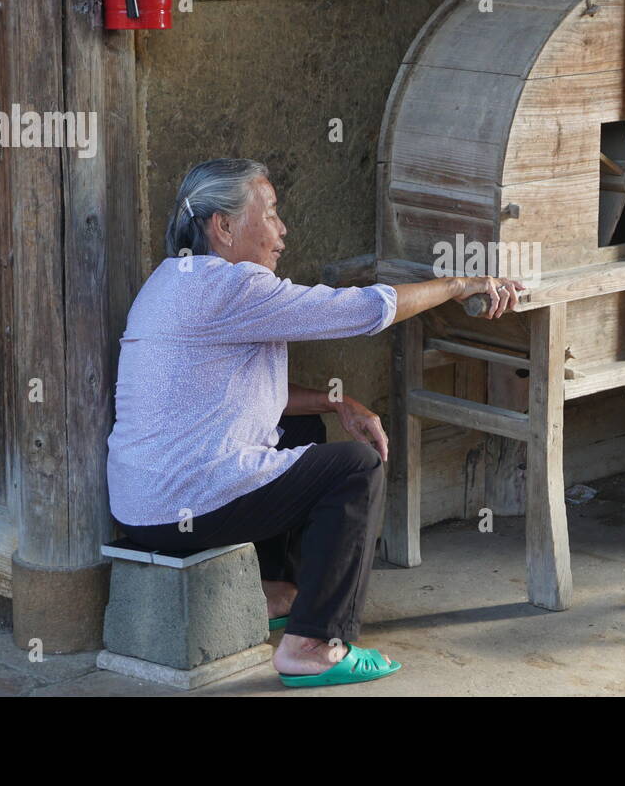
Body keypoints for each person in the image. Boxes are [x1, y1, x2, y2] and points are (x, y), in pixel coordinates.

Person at [105, 158, 522, 687]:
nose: (282, 231)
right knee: (355, 468)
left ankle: (278, 590)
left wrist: (336, 401)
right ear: (225, 227)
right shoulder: (230, 288)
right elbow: (365, 309)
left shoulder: (176, 281)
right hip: (177, 501)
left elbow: (236, 398)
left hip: (149, 503)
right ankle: (313, 646)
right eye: (272, 214)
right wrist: (460, 284)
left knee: (302, 433)